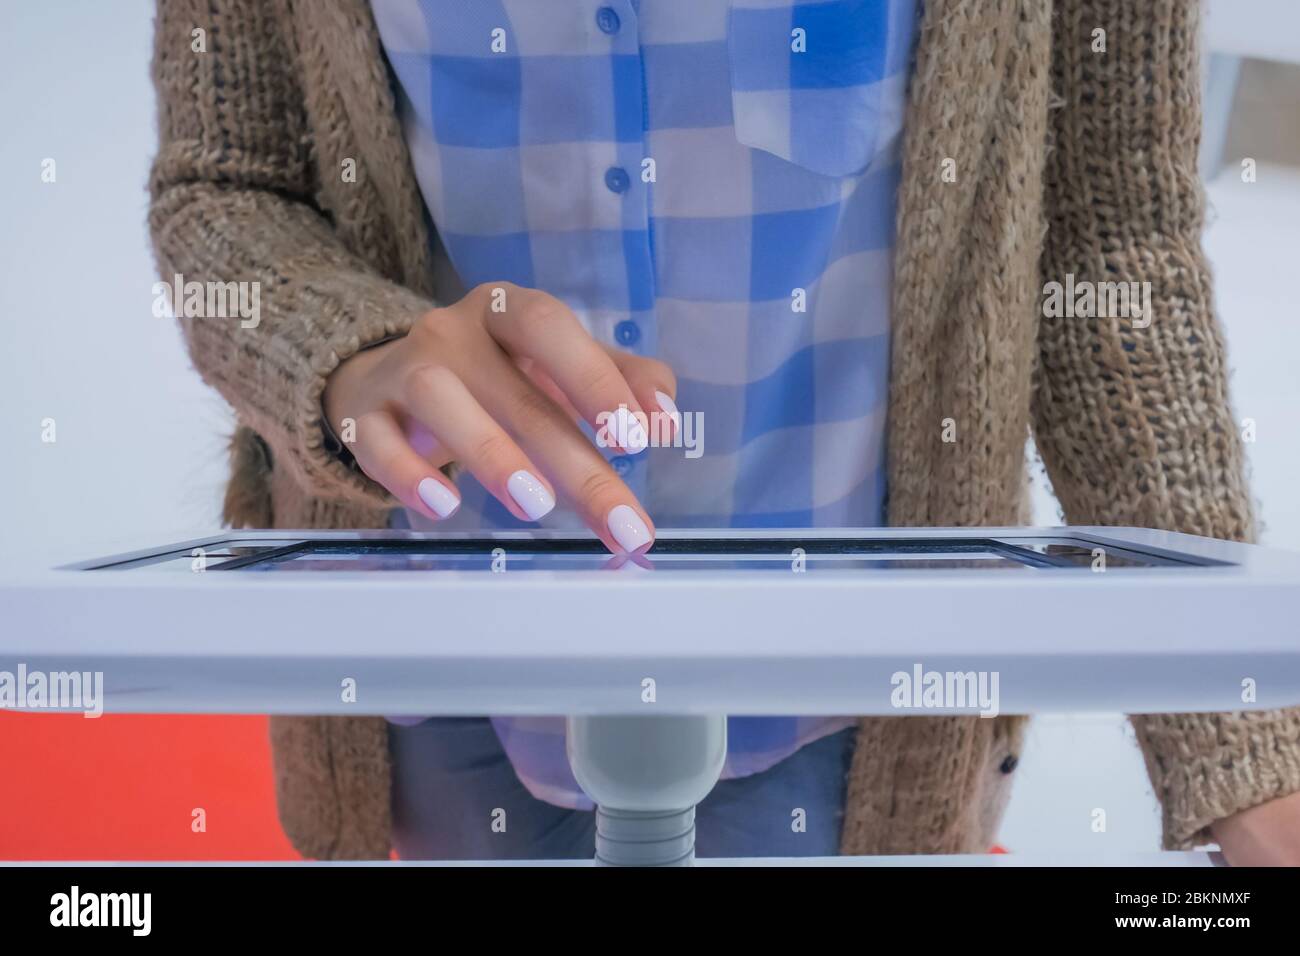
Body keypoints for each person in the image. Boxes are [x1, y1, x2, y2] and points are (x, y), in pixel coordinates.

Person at [148, 0, 1300, 863]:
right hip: (446, 685)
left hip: (853, 709)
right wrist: (349, 352)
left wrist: (1242, 739)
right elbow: (228, 185)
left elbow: (1107, 241)